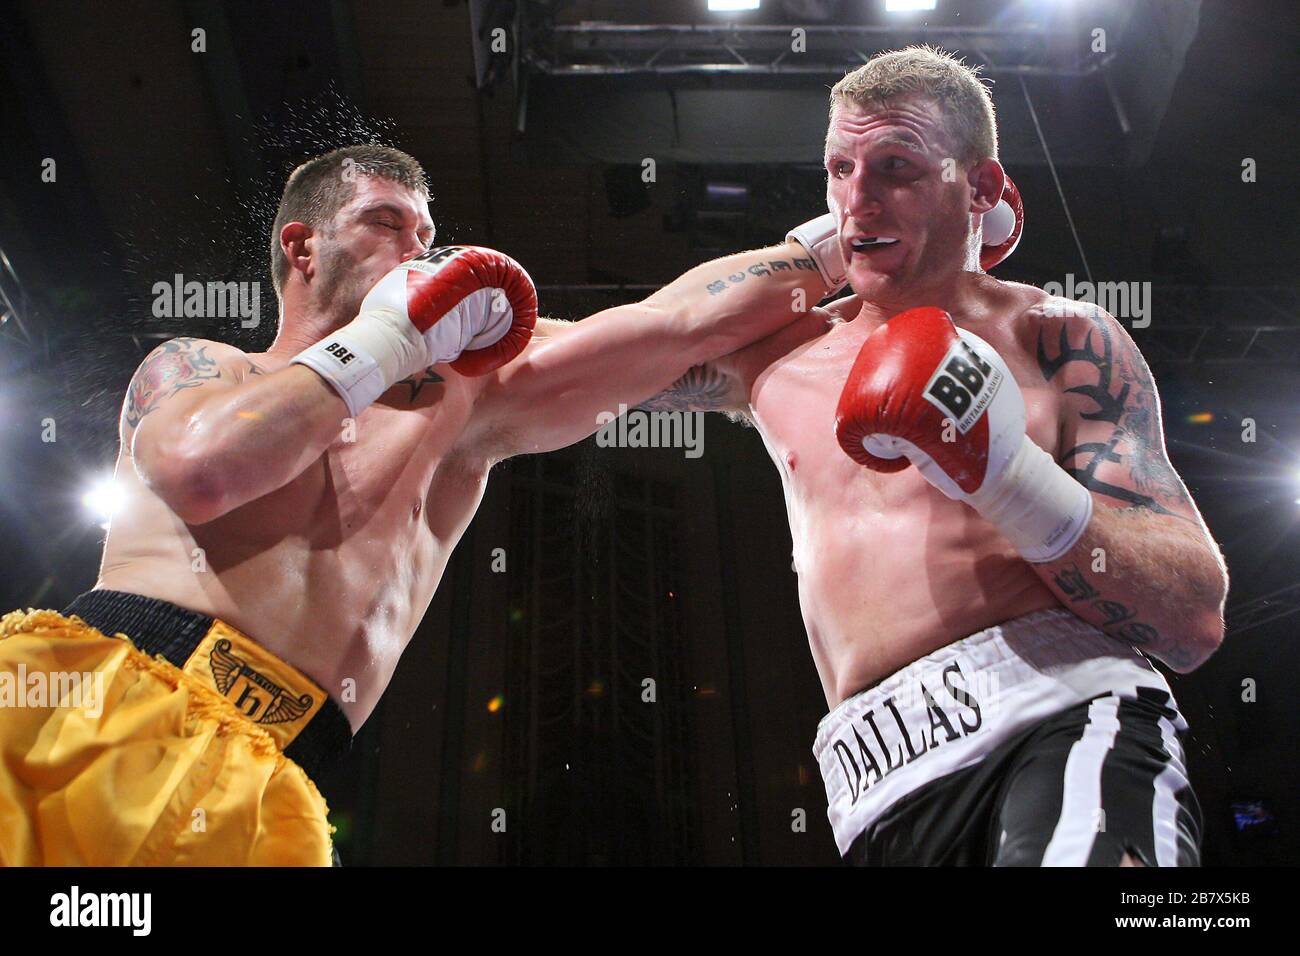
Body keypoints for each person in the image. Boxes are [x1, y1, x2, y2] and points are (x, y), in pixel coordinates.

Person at [0, 144, 839, 865]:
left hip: (276, 773)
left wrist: (858, 247)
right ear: (302, 244)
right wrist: (386, 338)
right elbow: (206, 471)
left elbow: (680, 330)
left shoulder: (463, 395)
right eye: (387, 223)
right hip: (90, 710)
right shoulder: (204, 365)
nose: (419, 250)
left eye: (429, 236)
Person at [638, 47, 1228, 866]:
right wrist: (410, 321)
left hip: (1062, 718)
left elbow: (1192, 617)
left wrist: (1005, 472)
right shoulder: (781, 355)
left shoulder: (1061, 339)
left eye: (896, 167)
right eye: (839, 169)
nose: (858, 198)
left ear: (981, 189)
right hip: (876, 793)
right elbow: (595, 360)